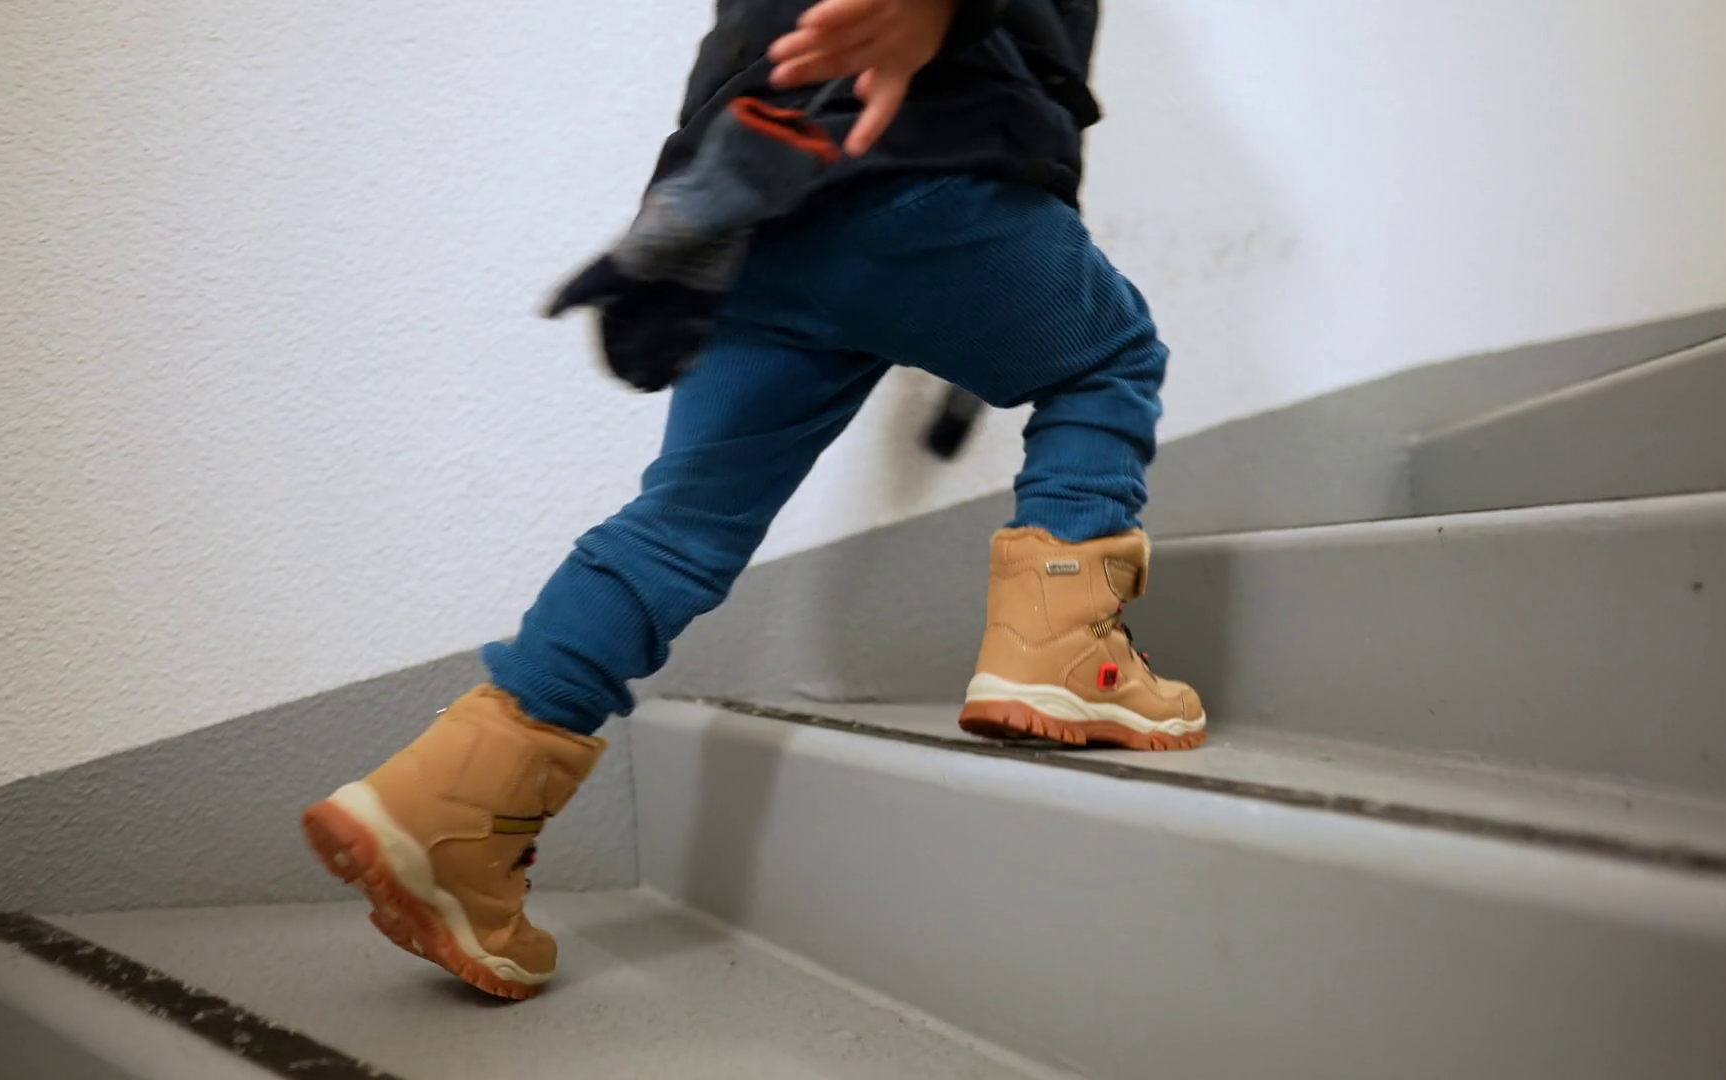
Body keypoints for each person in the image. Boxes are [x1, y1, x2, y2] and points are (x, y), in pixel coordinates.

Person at [300, 0, 1206, 1002]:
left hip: (758, 204)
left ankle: (452, 810)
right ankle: (1065, 655)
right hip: (922, 147)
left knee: (685, 520)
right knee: (1108, 359)